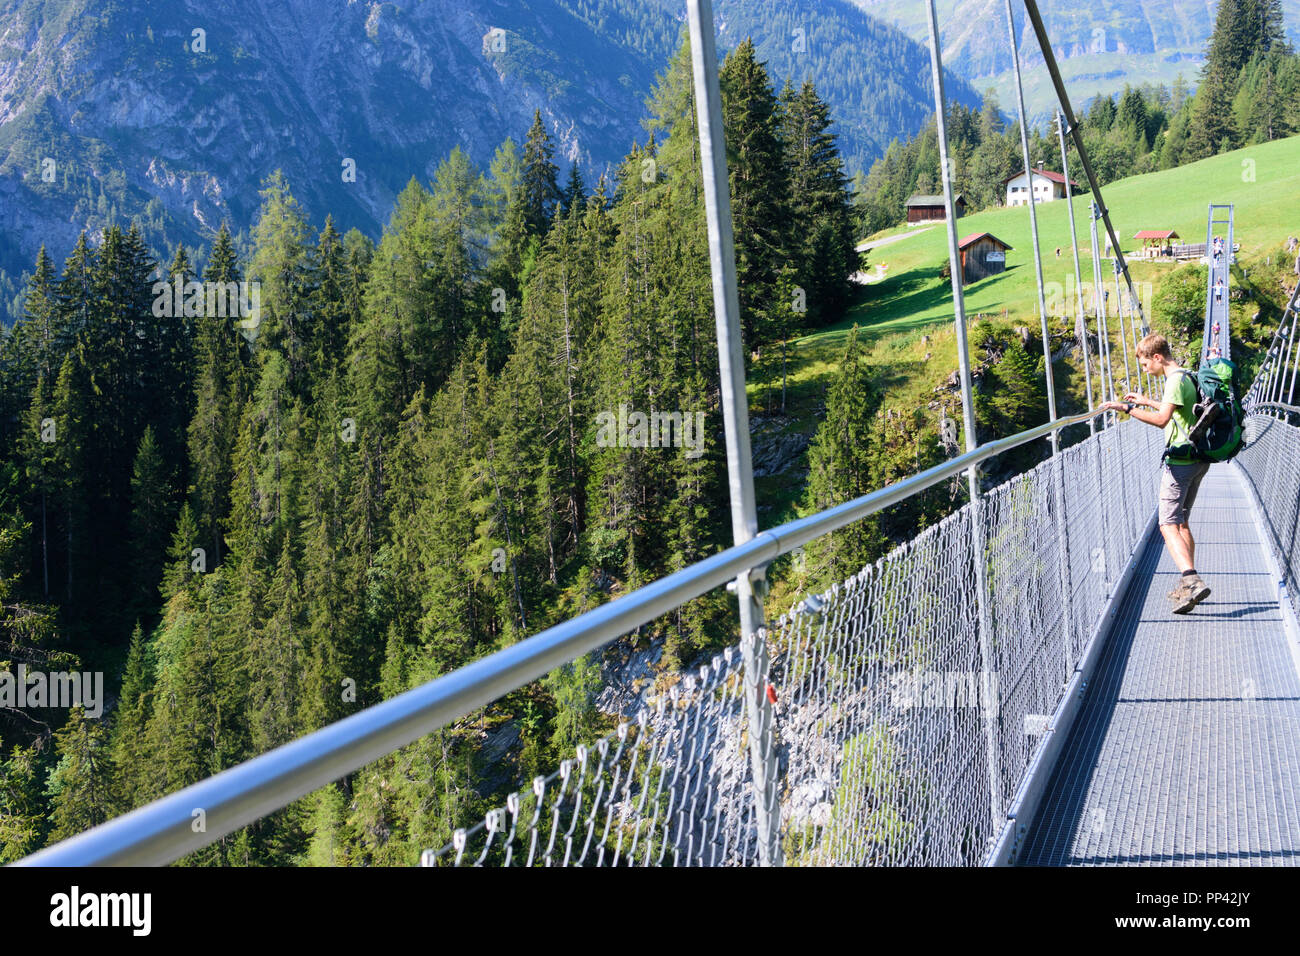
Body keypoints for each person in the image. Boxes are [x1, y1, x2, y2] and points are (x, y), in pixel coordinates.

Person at [1099, 333, 1211, 614]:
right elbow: (1176, 410)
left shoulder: (1173, 381)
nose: (1145, 369)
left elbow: (1163, 420)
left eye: (1146, 364)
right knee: (1182, 521)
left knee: (1167, 524)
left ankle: (1191, 579)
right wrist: (1147, 401)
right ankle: (1189, 586)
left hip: (1180, 462)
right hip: (1199, 459)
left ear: (1157, 357)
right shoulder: (1188, 375)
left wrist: (1128, 408)